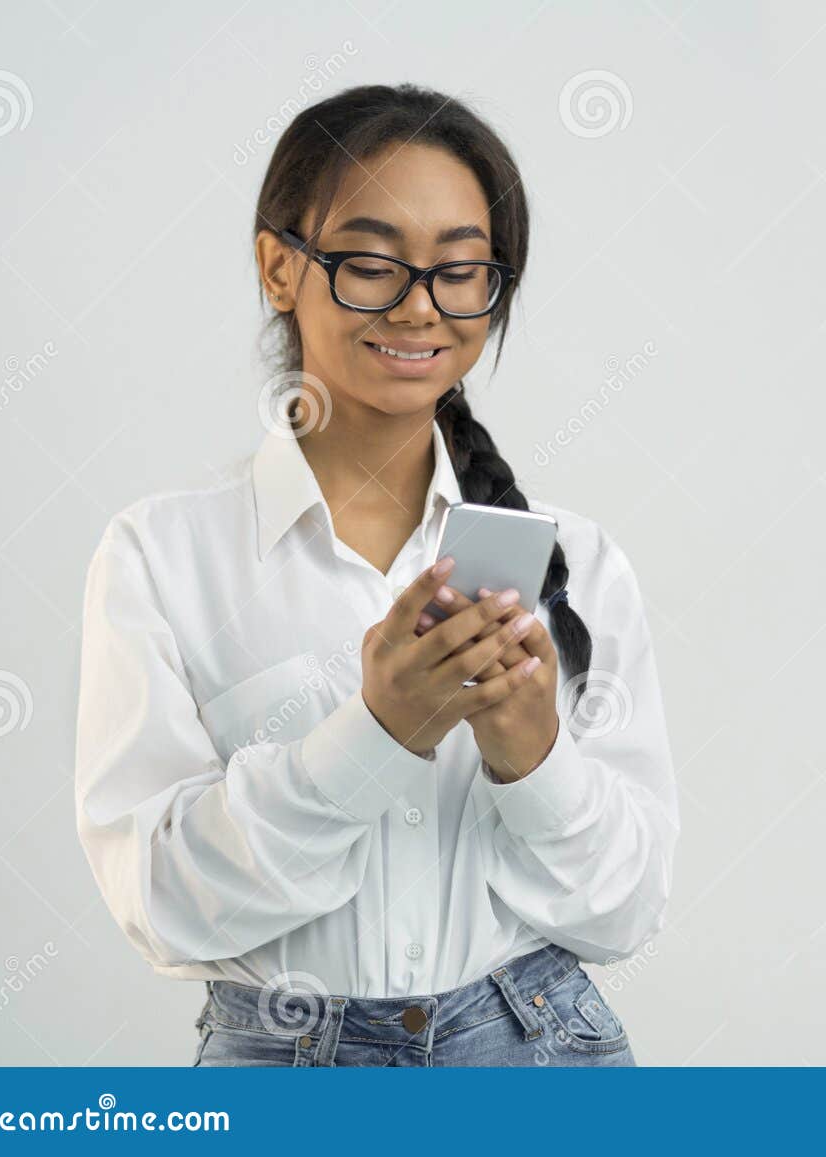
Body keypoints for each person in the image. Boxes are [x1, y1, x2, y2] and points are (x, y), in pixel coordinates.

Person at [73, 83, 679, 1067]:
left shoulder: (578, 562)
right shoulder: (160, 554)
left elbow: (626, 909)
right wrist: (376, 732)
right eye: (368, 261)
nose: (416, 305)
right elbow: (164, 902)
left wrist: (531, 752)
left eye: (459, 270)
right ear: (279, 266)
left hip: (537, 1047)